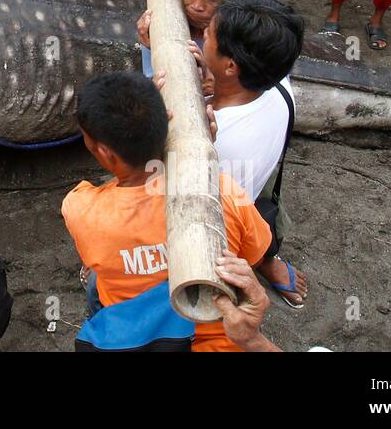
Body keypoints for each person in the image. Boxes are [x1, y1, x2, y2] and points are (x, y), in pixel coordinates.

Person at [62, 71, 269, 352]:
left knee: (94, 278)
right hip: (217, 338)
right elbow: (254, 255)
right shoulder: (222, 189)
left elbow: (124, 193)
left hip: (137, 335)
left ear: (106, 152)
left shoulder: (81, 210)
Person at [200, 0, 308, 306]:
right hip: (253, 186)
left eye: (208, 33)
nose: (202, 34)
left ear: (231, 66)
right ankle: (265, 255)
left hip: (223, 218)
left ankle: (258, 256)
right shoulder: (279, 84)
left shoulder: (217, 141)